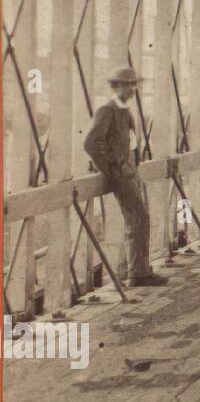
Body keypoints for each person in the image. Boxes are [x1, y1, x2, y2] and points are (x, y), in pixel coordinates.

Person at [83, 66, 167, 287]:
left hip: (130, 169)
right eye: (126, 84)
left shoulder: (124, 110)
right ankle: (138, 273)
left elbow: (129, 141)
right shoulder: (107, 110)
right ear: (115, 86)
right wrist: (112, 169)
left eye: (133, 84)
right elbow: (91, 143)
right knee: (139, 217)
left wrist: (131, 165)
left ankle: (137, 270)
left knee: (138, 218)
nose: (131, 88)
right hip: (121, 172)